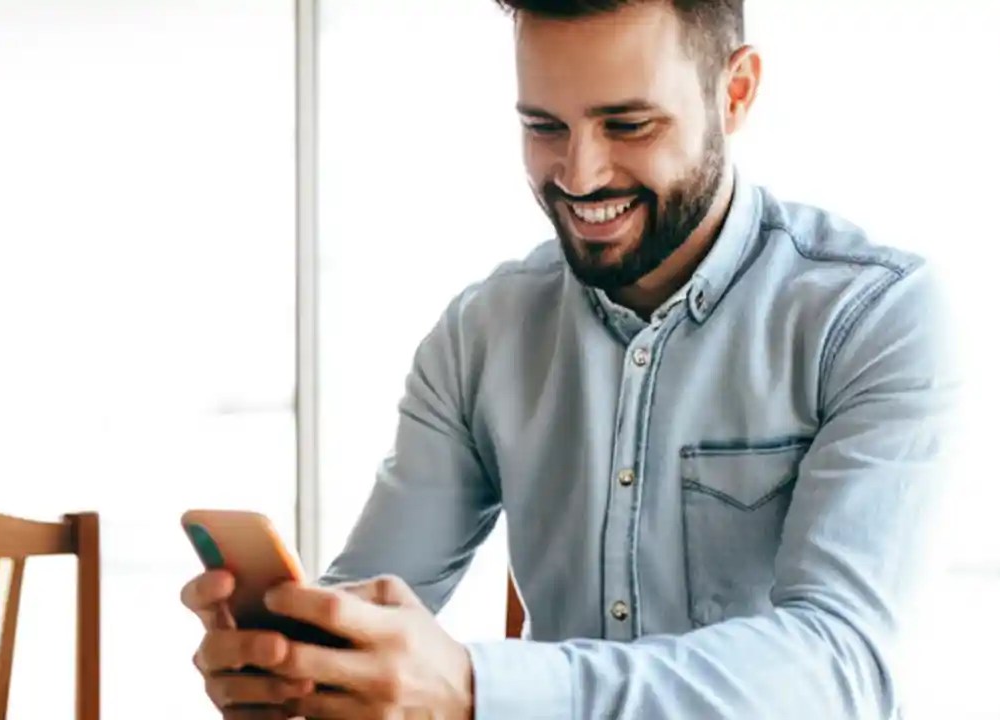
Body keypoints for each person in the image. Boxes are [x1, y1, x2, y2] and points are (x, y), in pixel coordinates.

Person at [181, 0, 959, 717]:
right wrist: (298, 661)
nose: (579, 177)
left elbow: (839, 667)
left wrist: (478, 688)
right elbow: (373, 607)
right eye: (544, 126)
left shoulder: (872, 315)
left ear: (736, 93)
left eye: (629, 125)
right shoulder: (482, 334)